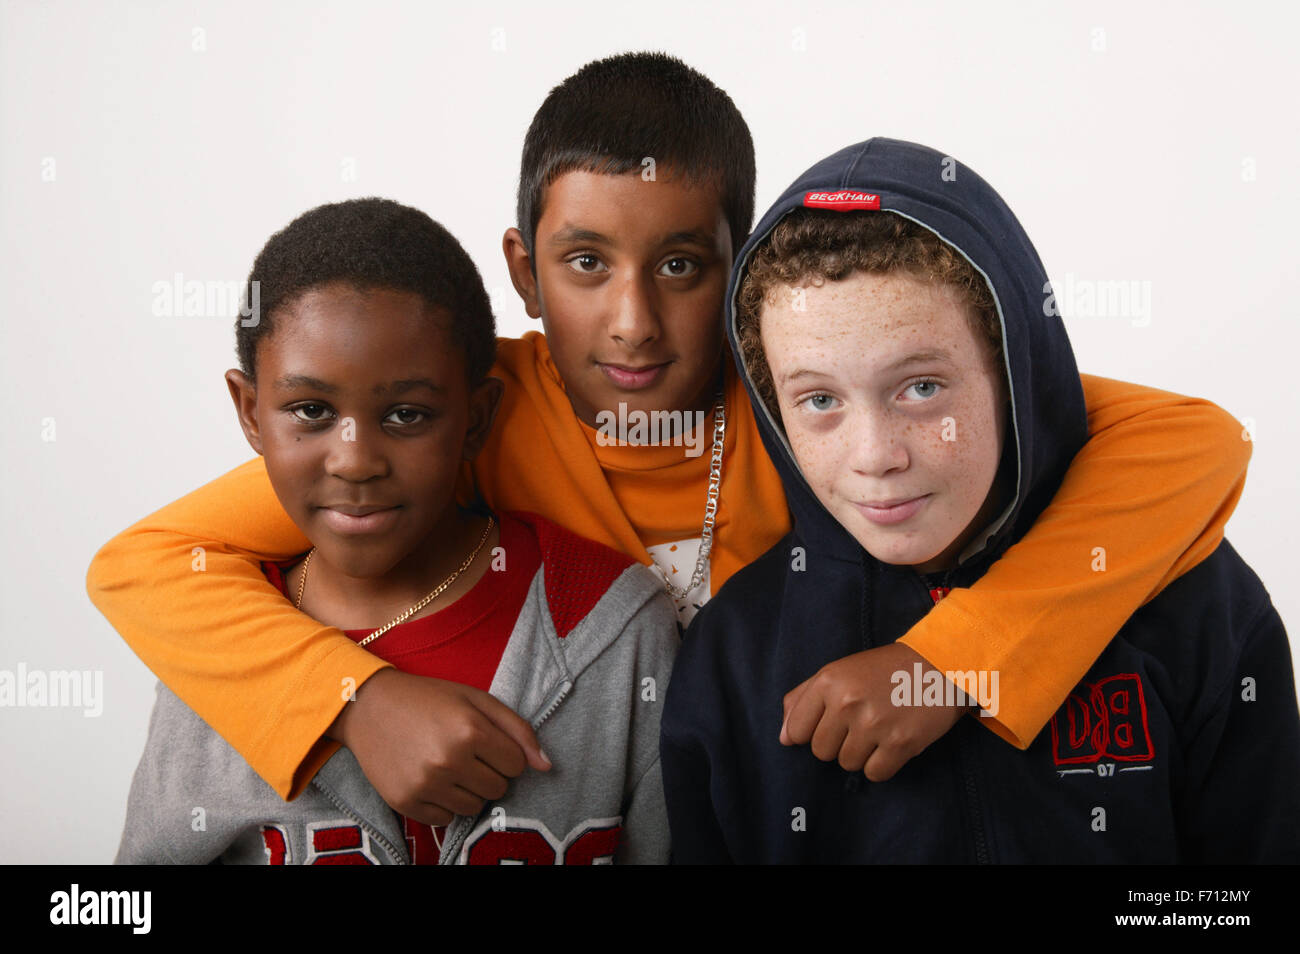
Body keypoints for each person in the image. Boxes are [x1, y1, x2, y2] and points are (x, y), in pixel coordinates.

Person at [89, 53, 1251, 826]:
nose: (634, 322)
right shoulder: (458, 408)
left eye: (683, 266)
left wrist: (963, 658)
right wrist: (354, 698)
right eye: (586, 264)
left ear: (744, 268)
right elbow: (146, 564)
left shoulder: (817, 398)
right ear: (523, 273)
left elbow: (1193, 442)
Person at [660, 137, 1300, 863]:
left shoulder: (1198, 602)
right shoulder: (735, 648)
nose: (876, 456)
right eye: (818, 400)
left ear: (1011, 367)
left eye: (922, 387)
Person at [114, 198, 677, 864]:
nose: (355, 459)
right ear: (250, 411)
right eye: (312, 410)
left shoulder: (618, 630)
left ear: (476, 418)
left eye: (407, 414)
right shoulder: (207, 662)